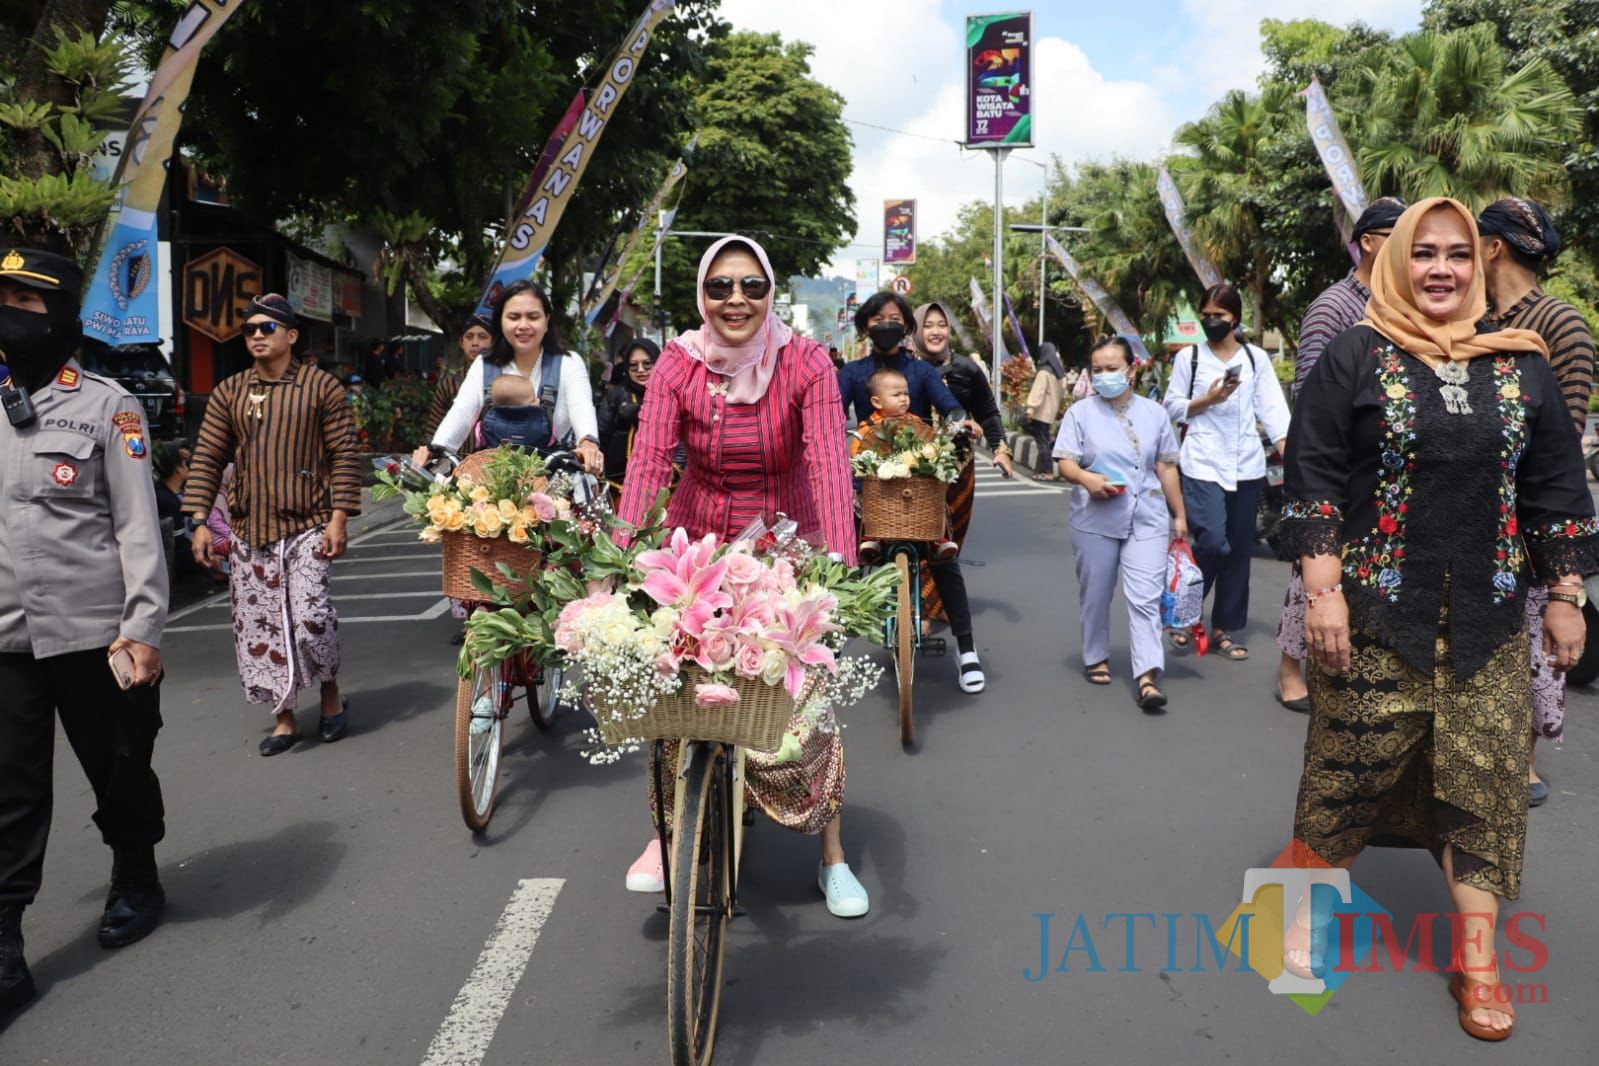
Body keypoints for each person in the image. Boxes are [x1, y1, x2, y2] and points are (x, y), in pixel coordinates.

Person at [1281, 198, 1596, 1042]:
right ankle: (1297, 913)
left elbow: (1556, 491)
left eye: (1458, 254)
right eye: (1423, 253)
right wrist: (1323, 590)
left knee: (1486, 789)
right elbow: (1309, 478)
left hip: (1491, 624)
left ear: (1480, 263)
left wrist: (1564, 595)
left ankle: (1479, 964)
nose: (1441, 270)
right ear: (1394, 262)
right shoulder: (1354, 355)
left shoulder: (1521, 363)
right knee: (1345, 775)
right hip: (1377, 617)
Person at [616, 235, 867, 918]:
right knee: (676, 686)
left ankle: (831, 854)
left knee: (802, 695)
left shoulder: (806, 361)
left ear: (771, 293)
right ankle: (667, 834)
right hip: (696, 543)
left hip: (789, 540)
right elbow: (646, 463)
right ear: (702, 294)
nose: (736, 299)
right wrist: (619, 559)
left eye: (752, 286)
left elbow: (826, 461)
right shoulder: (677, 362)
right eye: (721, 286)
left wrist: (836, 570)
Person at [0, 248, 169, 1012]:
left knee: (118, 766)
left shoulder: (108, 406)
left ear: (62, 314)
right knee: (10, 792)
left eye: (24, 302)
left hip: (95, 633)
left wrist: (142, 629)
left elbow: (139, 530)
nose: (10, 315)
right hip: (7, 638)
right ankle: (4, 945)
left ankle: (135, 872)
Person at [184, 294, 361, 756]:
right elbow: (206, 458)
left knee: (311, 618)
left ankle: (329, 694)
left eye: (267, 327)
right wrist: (200, 520)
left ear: (291, 335)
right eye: (250, 330)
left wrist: (339, 518)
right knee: (259, 629)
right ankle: (283, 718)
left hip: (308, 523)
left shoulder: (322, 387)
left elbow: (344, 454)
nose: (257, 335)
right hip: (249, 528)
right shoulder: (229, 391)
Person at [1479, 196, 1597, 809]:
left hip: (1527, 514)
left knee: (1529, 637)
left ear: (1493, 247)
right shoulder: (1470, 319)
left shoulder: (1560, 323)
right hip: (1471, 506)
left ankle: (1519, 761)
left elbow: (1563, 436)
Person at [1275, 197, 1407, 712]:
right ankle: (1291, 666)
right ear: (1369, 242)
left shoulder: (1403, 303)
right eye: (1398, 234)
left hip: (1386, 469)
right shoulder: (1336, 306)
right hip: (1338, 466)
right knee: (1313, 572)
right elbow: (1311, 394)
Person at [841, 292, 1000, 693]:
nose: (887, 324)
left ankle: (966, 651)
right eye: (878, 318)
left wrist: (960, 420)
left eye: (895, 317)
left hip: (920, 476)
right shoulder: (852, 373)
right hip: (872, 481)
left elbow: (949, 406)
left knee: (944, 560)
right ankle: (831, 650)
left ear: (906, 326)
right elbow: (829, 412)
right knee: (849, 557)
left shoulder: (923, 372)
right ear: (865, 326)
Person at [1053, 337, 1187, 710]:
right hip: (1094, 519)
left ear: (1131, 370)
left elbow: (1165, 465)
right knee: (1096, 594)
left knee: (1145, 598)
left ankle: (1147, 676)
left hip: (1147, 517)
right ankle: (1095, 655)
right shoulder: (1080, 413)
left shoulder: (1155, 414)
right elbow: (1065, 462)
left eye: (1112, 368)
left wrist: (1179, 515)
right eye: (1097, 369)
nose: (1104, 375)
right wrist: (1088, 480)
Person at [1163, 282, 1291, 662]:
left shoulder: (1255, 359)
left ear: (1235, 317)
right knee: (1214, 541)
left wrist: (1292, 455)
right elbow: (1170, 407)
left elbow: (1273, 411)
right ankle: (1184, 611)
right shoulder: (1191, 359)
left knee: (1237, 552)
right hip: (1202, 462)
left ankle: (1224, 628)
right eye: (1205, 316)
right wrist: (1209, 399)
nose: (1211, 322)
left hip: (1247, 465)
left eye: (1218, 316)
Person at [414, 281, 602, 473]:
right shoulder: (484, 364)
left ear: (546, 321)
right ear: (500, 322)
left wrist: (588, 442)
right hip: (489, 485)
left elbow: (582, 407)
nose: (523, 325)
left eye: (533, 317)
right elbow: (461, 411)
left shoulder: (569, 363)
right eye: (513, 317)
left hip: (553, 485)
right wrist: (436, 449)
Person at [849, 367, 960, 562]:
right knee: (863, 495)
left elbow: (930, 445)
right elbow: (858, 456)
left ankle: (939, 539)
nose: (904, 398)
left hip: (916, 488)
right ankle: (870, 537)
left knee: (937, 496)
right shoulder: (867, 428)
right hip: (881, 488)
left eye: (906, 393)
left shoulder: (916, 423)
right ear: (876, 401)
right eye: (896, 394)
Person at [596, 337, 660, 487]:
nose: (640, 370)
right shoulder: (615, 396)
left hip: (665, 486)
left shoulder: (672, 395)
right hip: (620, 485)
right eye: (633, 365)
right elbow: (601, 436)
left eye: (647, 364)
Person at [426, 314, 493, 450]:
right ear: (461, 342)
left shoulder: (504, 381)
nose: (475, 343)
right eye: (469, 337)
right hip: (456, 463)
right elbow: (434, 427)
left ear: (493, 342)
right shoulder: (449, 383)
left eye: (482, 337)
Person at [1024, 342, 1066, 479]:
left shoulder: (1043, 371)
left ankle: (1048, 472)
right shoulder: (1058, 372)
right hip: (1050, 413)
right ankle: (1052, 446)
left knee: (1041, 443)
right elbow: (1062, 393)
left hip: (1040, 413)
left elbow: (1038, 392)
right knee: (1044, 440)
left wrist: (1030, 409)